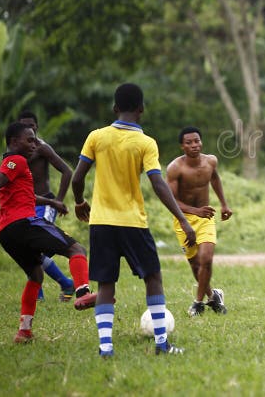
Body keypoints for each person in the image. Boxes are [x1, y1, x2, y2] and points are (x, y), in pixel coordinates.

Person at [71, 83, 197, 356]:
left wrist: (80, 201)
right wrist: (183, 220)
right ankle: (162, 344)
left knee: (106, 283)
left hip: (101, 222)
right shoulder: (145, 143)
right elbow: (158, 184)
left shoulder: (96, 136)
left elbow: (77, 177)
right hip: (132, 222)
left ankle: (106, 348)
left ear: (115, 108)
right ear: (141, 109)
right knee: (152, 276)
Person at [0, 122, 97, 344]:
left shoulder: (13, 165)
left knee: (36, 275)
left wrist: (52, 202)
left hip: (7, 233)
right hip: (24, 224)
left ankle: (24, 332)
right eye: (29, 139)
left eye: (35, 139)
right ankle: (83, 294)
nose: (34, 144)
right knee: (76, 248)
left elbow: (25, 196)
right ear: (13, 142)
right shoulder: (15, 160)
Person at [166, 126, 233, 317]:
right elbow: (172, 201)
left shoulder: (210, 161)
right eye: (189, 142)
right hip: (183, 219)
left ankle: (197, 303)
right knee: (196, 265)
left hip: (206, 217)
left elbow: (215, 179)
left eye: (197, 141)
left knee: (206, 259)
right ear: (182, 146)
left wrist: (224, 204)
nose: (194, 145)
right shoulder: (175, 168)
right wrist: (194, 211)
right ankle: (213, 296)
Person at [18, 110, 76, 302]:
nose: (29, 130)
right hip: (25, 206)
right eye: (25, 126)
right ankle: (51, 289)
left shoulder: (42, 148)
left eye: (32, 126)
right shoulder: (15, 152)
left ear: (37, 127)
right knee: (27, 248)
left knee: (37, 247)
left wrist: (58, 200)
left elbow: (67, 171)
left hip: (46, 203)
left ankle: (62, 285)